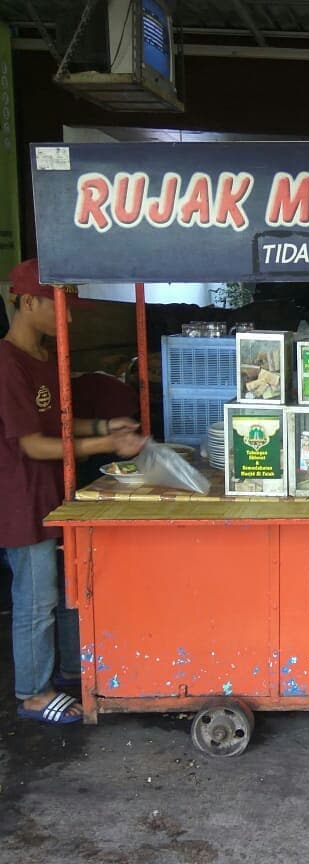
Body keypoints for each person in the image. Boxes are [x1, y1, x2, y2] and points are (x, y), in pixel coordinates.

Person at [0, 259, 146, 725]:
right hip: (21, 498)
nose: (66, 319)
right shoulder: (7, 363)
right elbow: (33, 444)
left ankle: (65, 671)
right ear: (28, 302)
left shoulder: (45, 357)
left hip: (53, 492)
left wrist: (105, 425)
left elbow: (59, 421)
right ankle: (33, 694)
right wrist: (107, 445)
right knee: (36, 598)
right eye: (58, 307)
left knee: (65, 589)